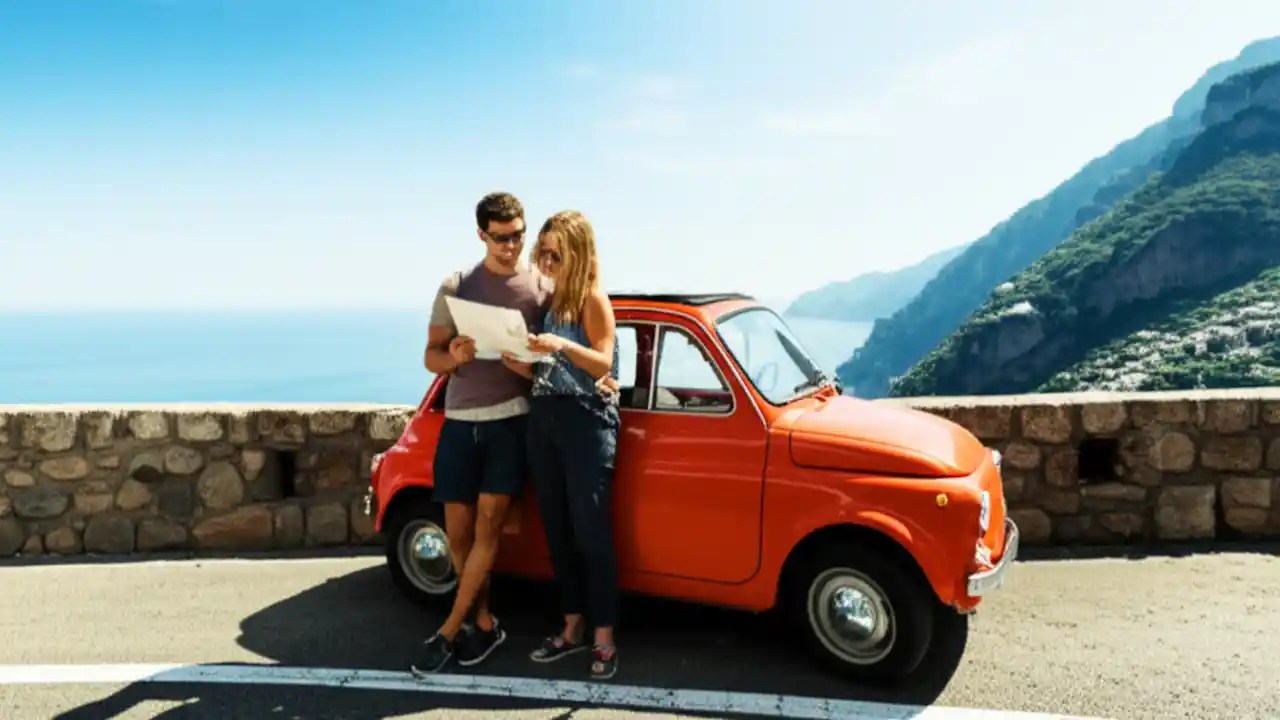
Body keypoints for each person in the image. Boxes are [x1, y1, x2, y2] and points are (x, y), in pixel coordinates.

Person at [410, 191, 552, 675]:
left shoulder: (541, 288)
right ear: (481, 235)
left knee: (488, 529)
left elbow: (557, 354)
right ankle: (485, 621)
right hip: (459, 424)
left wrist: (532, 363)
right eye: (501, 238)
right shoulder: (456, 286)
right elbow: (430, 356)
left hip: (511, 421)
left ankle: (449, 631)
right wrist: (453, 357)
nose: (511, 247)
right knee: (459, 537)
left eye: (518, 236)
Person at [513, 210, 624, 680]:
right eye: (542, 253)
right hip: (545, 420)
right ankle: (572, 625)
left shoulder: (592, 299)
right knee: (557, 531)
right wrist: (513, 358)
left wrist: (558, 345)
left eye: (555, 254)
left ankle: (605, 637)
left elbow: (602, 363)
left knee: (591, 534)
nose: (546, 262)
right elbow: (545, 374)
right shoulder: (549, 303)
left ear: (577, 253)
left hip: (585, 423)